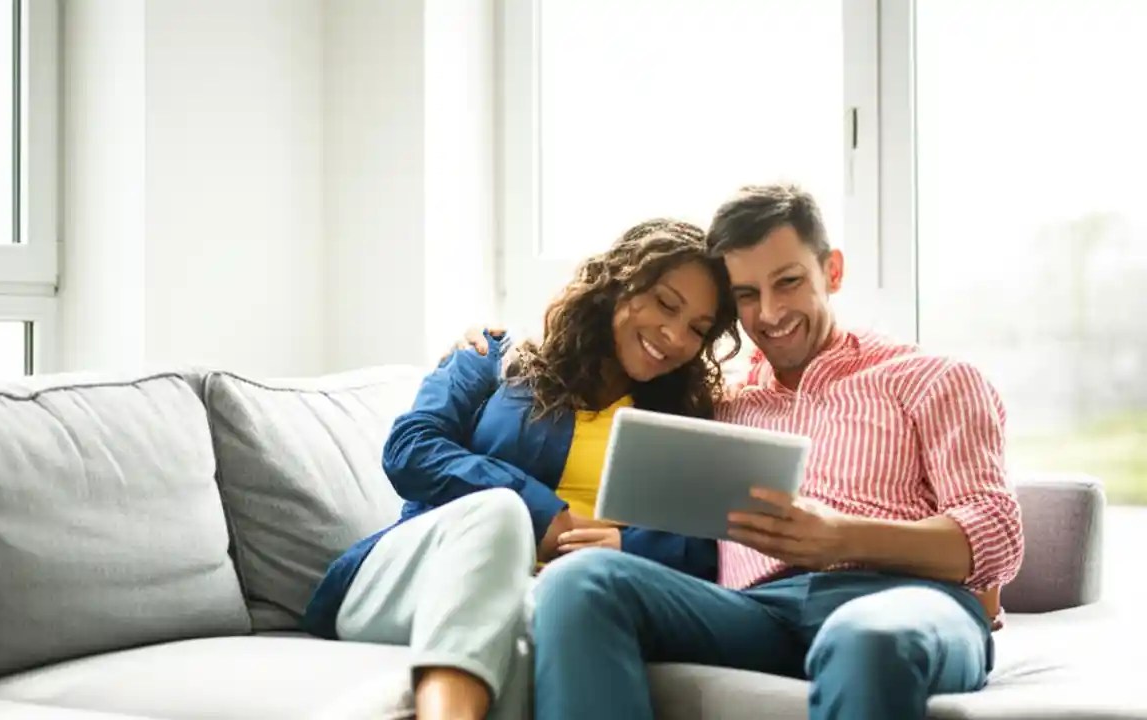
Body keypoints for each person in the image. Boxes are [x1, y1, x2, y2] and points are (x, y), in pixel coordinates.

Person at [462, 184, 1025, 720]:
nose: (771, 314)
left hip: (900, 603)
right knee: (578, 582)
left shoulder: (931, 379)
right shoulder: (723, 403)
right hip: (756, 612)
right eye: (748, 296)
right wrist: (491, 348)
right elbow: (606, 358)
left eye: (789, 282)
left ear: (832, 271)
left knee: (866, 638)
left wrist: (843, 538)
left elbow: (998, 535)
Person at [301, 218, 743, 720]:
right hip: (415, 580)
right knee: (500, 513)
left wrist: (630, 546)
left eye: (698, 329)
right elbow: (409, 449)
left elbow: (717, 542)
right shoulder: (493, 356)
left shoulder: (684, 418)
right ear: (621, 280)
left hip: (545, 600)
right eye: (666, 303)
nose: (674, 335)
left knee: (535, 634)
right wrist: (545, 516)